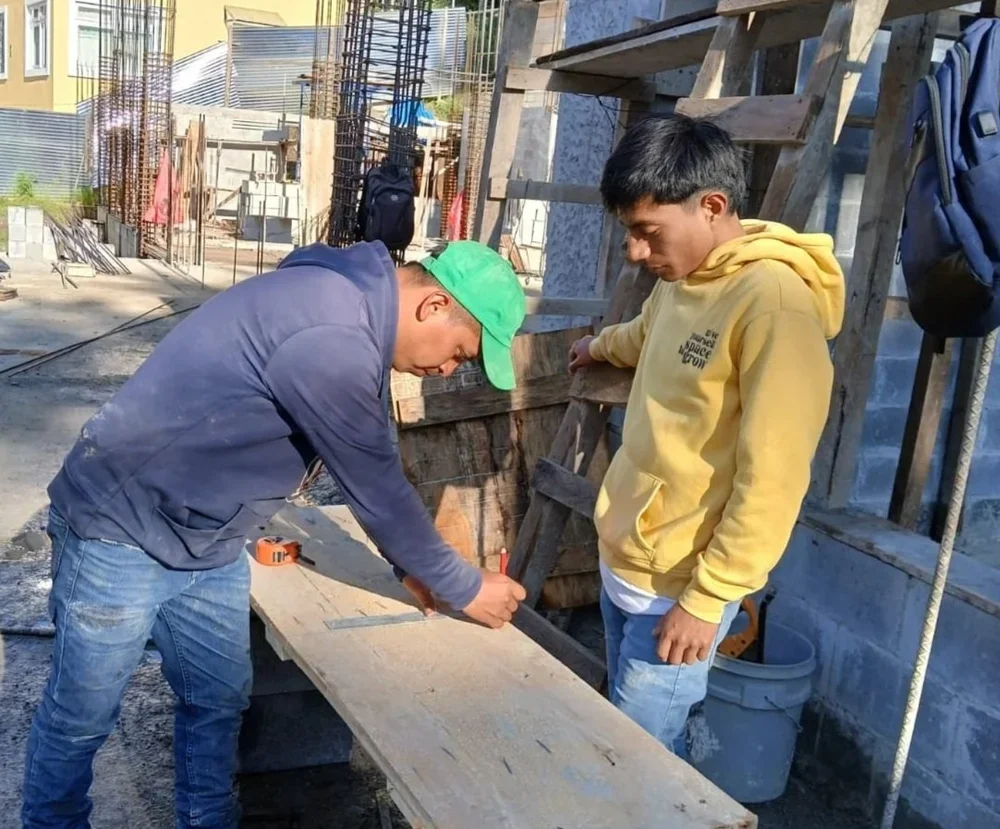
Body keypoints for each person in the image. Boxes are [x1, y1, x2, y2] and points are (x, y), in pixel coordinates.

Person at [23, 239, 528, 828]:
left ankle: (207, 821)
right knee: (82, 716)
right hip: (121, 525)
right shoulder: (331, 332)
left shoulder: (350, 308)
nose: (447, 371)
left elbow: (363, 461)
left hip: (209, 535)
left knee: (216, 700)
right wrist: (465, 585)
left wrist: (409, 566)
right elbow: (375, 484)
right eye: (461, 354)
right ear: (433, 306)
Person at [569, 115, 845, 757]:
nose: (636, 252)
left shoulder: (773, 305)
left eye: (648, 232)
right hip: (628, 561)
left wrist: (708, 599)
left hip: (679, 590)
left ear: (712, 207)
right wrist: (598, 346)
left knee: (639, 761)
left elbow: (774, 478)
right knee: (623, 740)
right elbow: (645, 334)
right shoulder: (685, 279)